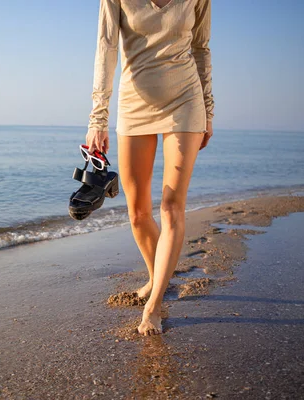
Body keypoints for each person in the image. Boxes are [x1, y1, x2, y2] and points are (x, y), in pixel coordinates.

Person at [85, 0, 215, 336]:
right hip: (134, 102)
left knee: (171, 206)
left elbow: (201, 49)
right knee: (138, 211)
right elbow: (106, 47)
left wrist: (209, 111)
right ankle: (158, 275)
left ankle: (154, 305)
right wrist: (98, 118)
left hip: (186, 101)